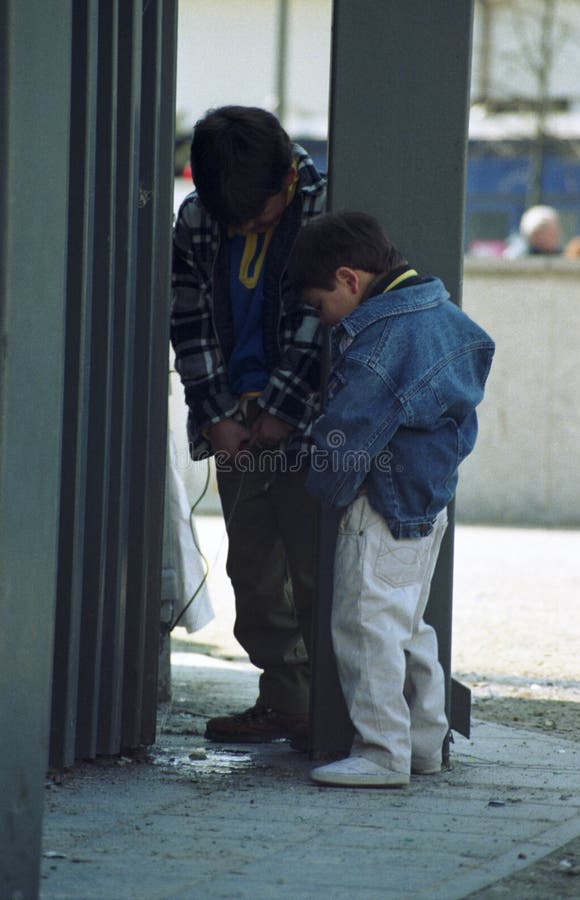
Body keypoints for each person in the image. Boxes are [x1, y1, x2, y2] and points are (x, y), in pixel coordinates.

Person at [288, 211, 495, 787]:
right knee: (406, 626)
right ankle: (426, 743)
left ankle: (382, 752)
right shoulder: (443, 316)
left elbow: (348, 432)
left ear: (350, 280)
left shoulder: (382, 343)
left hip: (379, 505)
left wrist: (323, 488)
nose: (322, 320)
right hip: (426, 501)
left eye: (321, 303)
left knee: (364, 625)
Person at [170, 106, 326, 743]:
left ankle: (333, 709)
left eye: (257, 217)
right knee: (254, 569)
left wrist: (281, 415)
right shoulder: (199, 217)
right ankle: (286, 699)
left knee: (318, 566)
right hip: (234, 419)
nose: (246, 228)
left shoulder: (324, 209)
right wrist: (218, 416)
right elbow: (189, 321)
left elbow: (320, 326)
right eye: (236, 221)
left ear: (288, 178)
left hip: (312, 420)